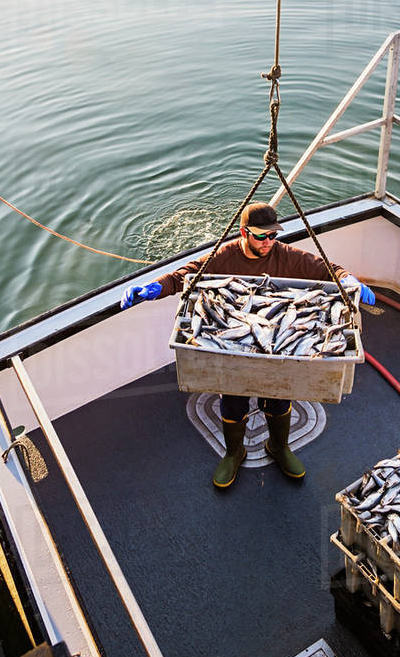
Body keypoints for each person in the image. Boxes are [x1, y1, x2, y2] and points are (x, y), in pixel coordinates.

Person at [120, 202, 375, 489]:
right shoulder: (225, 256)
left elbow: (327, 269)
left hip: (276, 344)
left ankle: (278, 447)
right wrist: (153, 288)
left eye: (272, 236)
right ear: (243, 232)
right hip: (233, 350)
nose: (268, 243)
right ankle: (234, 452)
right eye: (260, 236)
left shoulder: (285, 256)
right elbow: (185, 275)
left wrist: (348, 280)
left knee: (279, 396)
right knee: (232, 401)